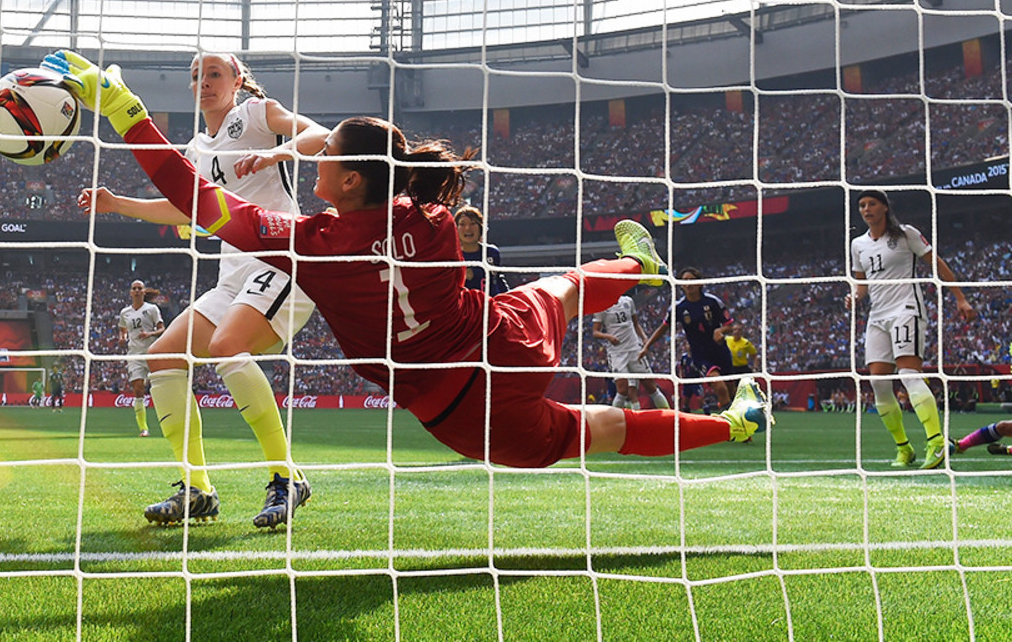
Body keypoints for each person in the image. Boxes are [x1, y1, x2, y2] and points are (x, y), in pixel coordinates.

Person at [54, 51, 772, 500]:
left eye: (325, 149)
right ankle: (638, 266)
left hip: (459, 413)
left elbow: (195, 198)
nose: (315, 153)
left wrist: (123, 112)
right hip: (502, 340)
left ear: (350, 178)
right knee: (562, 289)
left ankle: (731, 425)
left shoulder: (312, 245)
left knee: (602, 430)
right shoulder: (427, 217)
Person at [53, 51, 329, 528]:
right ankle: (198, 489)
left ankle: (288, 479)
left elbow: (321, 135)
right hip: (234, 275)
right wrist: (115, 203)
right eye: (198, 76)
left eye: (215, 73)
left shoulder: (258, 114)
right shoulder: (197, 149)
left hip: (284, 262)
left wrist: (276, 152)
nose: (205, 82)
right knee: (163, 358)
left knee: (226, 347)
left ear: (238, 80)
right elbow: (187, 210)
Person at [846, 190, 976, 469]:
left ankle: (937, 442)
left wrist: (959, 296)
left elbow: (936, 263)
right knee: (878, 384)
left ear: (884, 208)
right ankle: (904, 449)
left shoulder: (906, 234)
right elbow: (861, 285)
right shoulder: (858, 244)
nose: (866, 209)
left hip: (906, 309)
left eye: (871, 204)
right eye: (861, 205)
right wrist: (854, 296)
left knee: (908, 375)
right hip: (877, 316)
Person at [640, 268, 734, 411]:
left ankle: (737, 422)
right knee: (719, 386)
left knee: (731, 390)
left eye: (692, 280)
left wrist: (720, 330)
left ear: (700, 283)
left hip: (720, 351)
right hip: (700, 355)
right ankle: (730, 426)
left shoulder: (713, 302)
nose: (688, 284)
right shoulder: (678, 308)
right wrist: (647, 346)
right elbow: (663, 328)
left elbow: (729, 326)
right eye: (685, 281)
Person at [592, 292, 670, 410]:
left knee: (651, 387)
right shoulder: (601, 307)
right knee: (623, 390)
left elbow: (636, 324)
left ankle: (668, 415)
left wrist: (644, 338)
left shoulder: (628, 301)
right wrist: (608, 337)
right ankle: (616, 421)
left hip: (634, 349)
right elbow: (595, 332)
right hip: (617, 353)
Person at [118, 279, 165, 437]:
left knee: (160, 388)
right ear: (131, 292)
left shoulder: (152, 309)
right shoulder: (125, 312)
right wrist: (122, 337)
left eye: (139, 288)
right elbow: (123, 328)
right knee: (138, 389)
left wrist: (149, 334)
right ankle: (143, 428)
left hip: (152, 352)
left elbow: (162, 329)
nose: (137, 291)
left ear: (144, 291)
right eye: (134, 288)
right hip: (134, 354)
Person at [454, 205, 509, 295]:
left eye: (472, 223)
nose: (468, 228)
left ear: (481, 227)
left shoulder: (491, 252)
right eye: (462, 224)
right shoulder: (452, 256)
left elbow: (498, 280)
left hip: (491, 305)